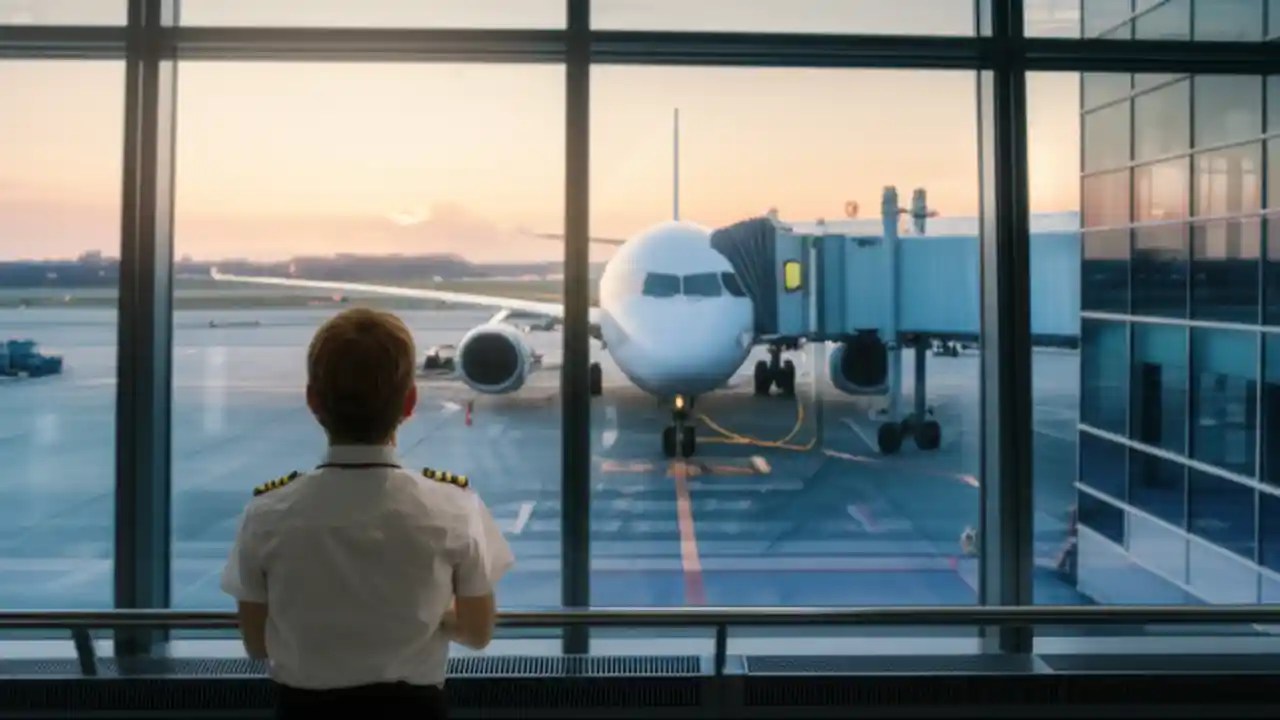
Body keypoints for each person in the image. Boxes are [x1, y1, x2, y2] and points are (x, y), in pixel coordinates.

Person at [219, 306, 514, 719]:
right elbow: (479, 633)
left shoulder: (268, 511)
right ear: (409, 402)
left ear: (312, 401)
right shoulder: (454, 507)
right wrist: (425, 617)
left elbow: (257, 643)